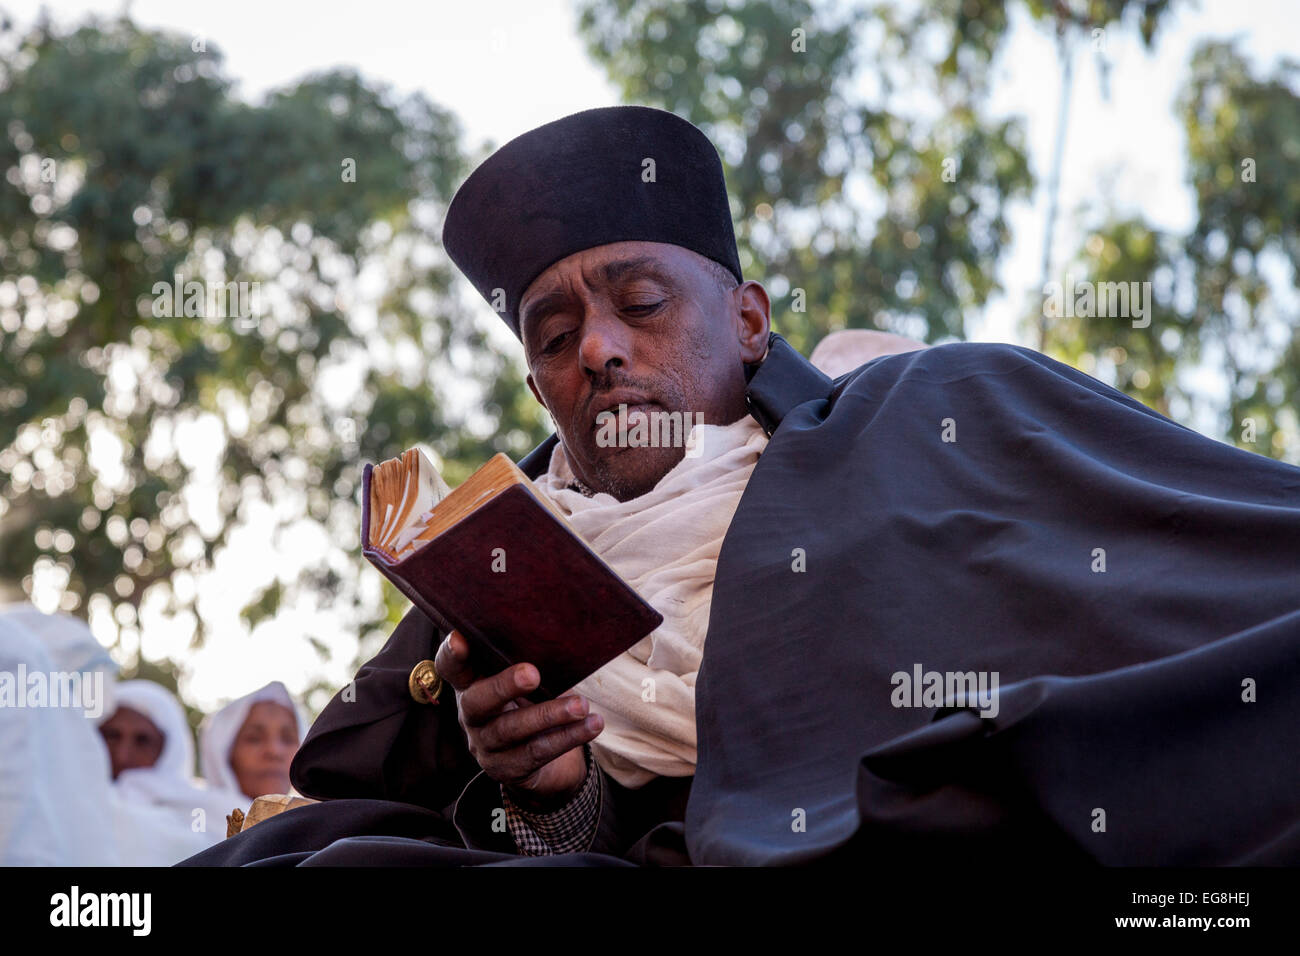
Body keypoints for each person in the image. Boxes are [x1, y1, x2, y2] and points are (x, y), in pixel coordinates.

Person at [182, 105, 1300, 868]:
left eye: (642, 303)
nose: (601, 352)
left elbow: (1203, 558)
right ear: (536, 380)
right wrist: (548, 793)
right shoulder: (493, 575)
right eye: (557, 332)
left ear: (752, 321)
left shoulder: (924, 415)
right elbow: (571, 834)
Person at [100, 680, 244, 853]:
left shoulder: (215, 816)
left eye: (143, 740)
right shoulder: (68, 800)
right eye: (112, 736)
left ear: (169, 748)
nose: (122, 754)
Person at [198, 681, 306, 803]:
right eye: (255, 738)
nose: (274, 751)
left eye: (288, 739)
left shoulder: (319, 819)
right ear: (226, 751)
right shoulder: (195, 819)